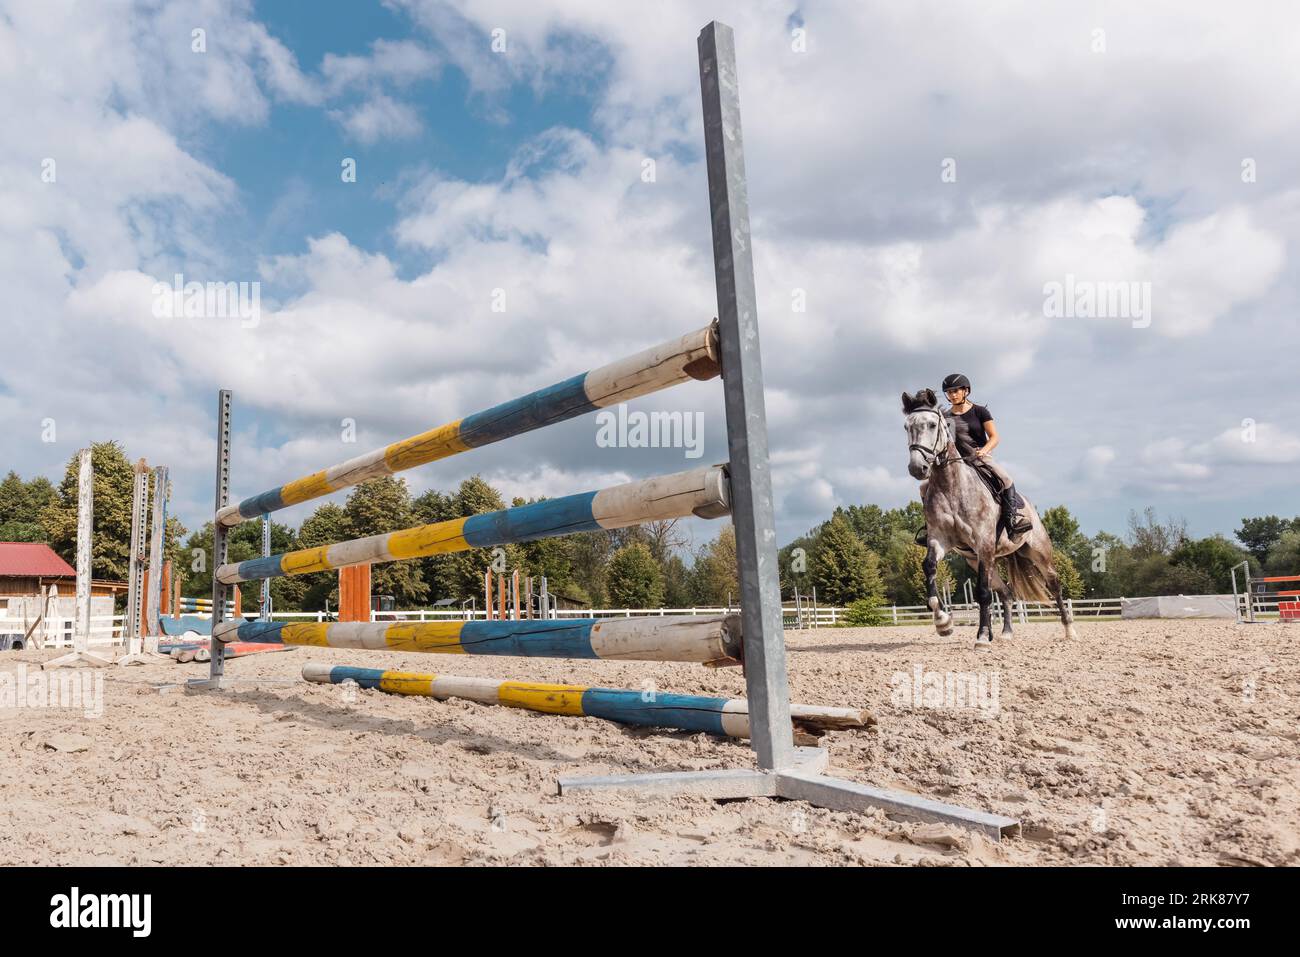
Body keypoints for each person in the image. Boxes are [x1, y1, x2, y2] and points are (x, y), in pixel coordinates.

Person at [915, 373, 1033, 543]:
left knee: (1006, 479)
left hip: (979, 457)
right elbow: (948, 443)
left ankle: (1012, 523)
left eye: (956, 391)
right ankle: (930, 527)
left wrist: (984, 450)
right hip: (957, 462)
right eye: (948, 392)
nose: (952, 395)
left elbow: (994, 437)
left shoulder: (980, 411)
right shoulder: (947, 417)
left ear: (966, 391)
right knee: (923, 488)